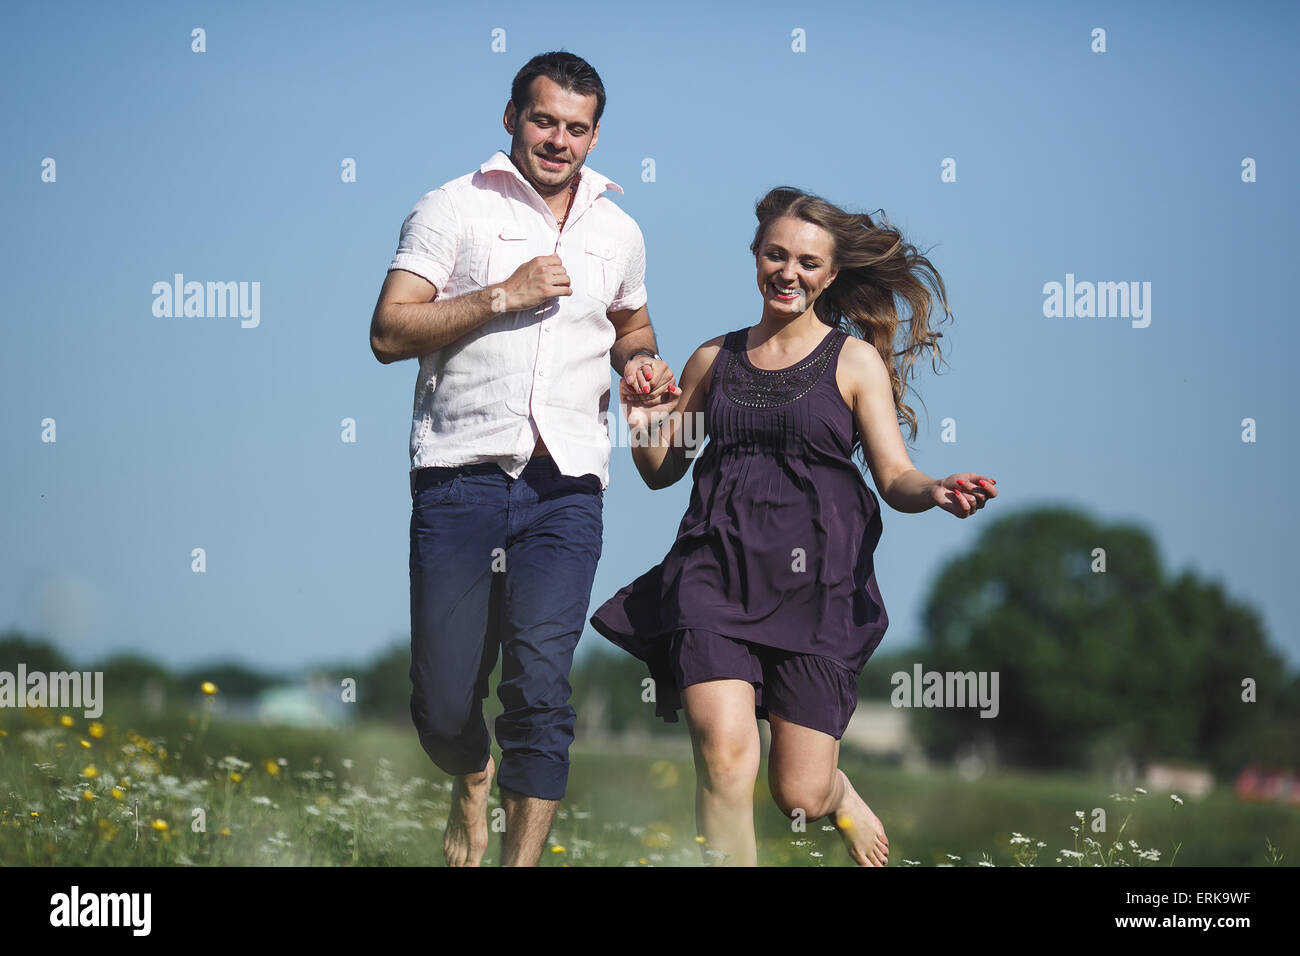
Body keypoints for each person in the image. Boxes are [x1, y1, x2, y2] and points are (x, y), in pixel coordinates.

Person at [590, 186, 998, 866]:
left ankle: (839, 795)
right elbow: (663, 468)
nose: (789, 272)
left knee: (799, 795)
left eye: (808, 262)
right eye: (776, 255)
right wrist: (642, 423)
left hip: (818, 593)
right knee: (723, 758)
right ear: (755, 258)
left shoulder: (854, 362)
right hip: (714, 576)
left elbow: (893, 476)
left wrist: (935, 490)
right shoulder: (711, 361)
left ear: (830, 275)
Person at [369, 51, 679, 867]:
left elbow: (633, 329)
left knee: (540, 686)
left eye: (576, 128)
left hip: (566, 488)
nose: (559, 140)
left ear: (595, 135)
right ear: (511, 117)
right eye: (544, 120)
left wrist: (641, 364)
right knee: (441, 704)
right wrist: (500, 294)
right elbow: (389, 332)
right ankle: (470, 779)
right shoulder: (451, 208)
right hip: (459, 480)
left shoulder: (619, 228)